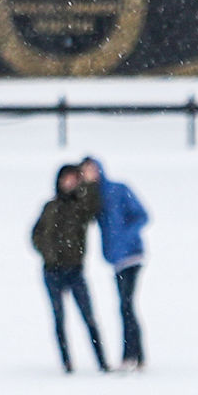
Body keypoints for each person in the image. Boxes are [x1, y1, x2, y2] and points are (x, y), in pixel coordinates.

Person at [31, 161, 109, 373]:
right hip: (52, 271)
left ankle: (101, 361)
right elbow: (36, 235)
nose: (69, 182)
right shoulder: (50, 207)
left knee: (88, 317)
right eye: (67, 178)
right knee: (59, 318)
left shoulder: (80, 207)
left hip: (74, 270)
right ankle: (66, 363)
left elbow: (93, 205)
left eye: (74, 178)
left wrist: (90, 183)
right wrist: (49, 253)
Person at [79, 156, 150, 368]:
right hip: (116, 258)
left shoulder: (118, 189)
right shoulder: (92, 197)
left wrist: (126, 237)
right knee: (125, 306)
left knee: (126, 305)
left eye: (92, 169)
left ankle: (132, 355)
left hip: (132, 254)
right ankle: (137, 356)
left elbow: (142, 215)